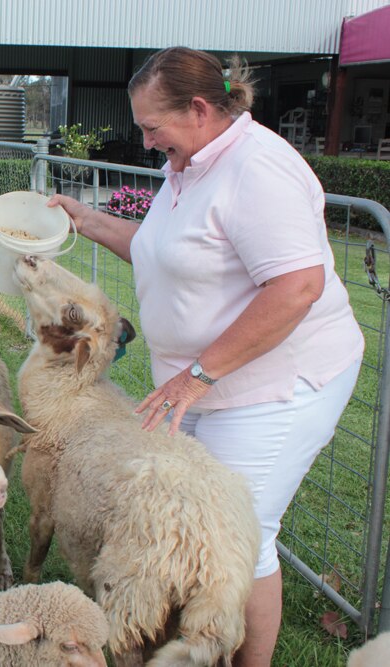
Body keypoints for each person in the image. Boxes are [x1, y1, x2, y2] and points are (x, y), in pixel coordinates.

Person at [47, 46, 364, 667]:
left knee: (237, 538)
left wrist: (198, 375)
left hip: (271, 387)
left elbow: (297, 286)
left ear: (198, 108)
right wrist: (85, 220)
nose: (144, 141)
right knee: (183, 520)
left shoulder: (257, 169)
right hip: (203, 384)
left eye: (150, 126)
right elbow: (161, 248)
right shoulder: (190, 165)